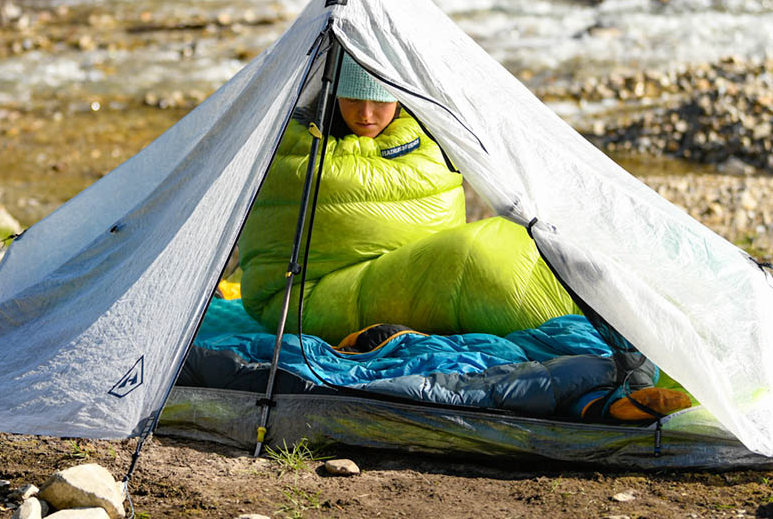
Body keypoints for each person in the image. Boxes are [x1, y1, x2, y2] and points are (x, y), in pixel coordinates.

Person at [238, 58, 578, 344]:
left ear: (399, 100)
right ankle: (573, 324)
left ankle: (594, 310)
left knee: (519, 240)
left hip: (393, 271)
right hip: (300, 300)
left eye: (380, 102)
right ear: (334, 94)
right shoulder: (295, 153)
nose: (366, 114)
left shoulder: (422, 138)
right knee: (467, 260)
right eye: (352, 99)